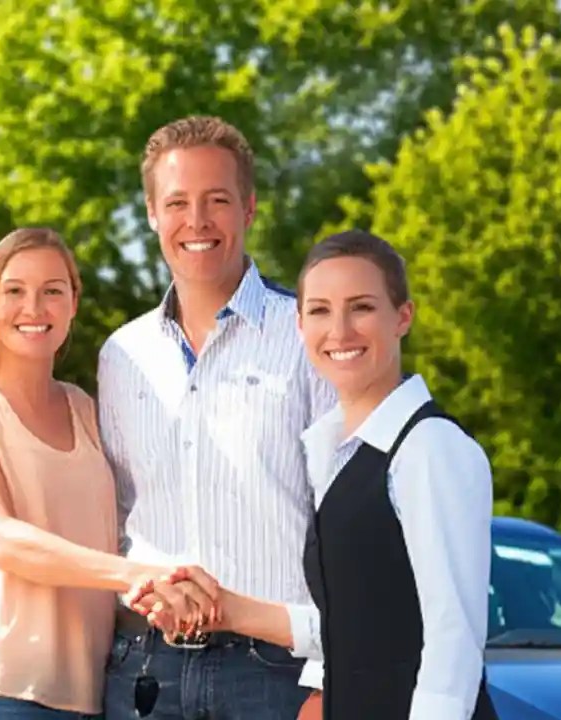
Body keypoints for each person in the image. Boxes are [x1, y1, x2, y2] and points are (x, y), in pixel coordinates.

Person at [145, 230, 500, 719]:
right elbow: (357, 624)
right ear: (299, 323)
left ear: (403, 317)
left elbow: (452, 640)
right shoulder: (330, 452)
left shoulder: (429, 448)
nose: (340, 331)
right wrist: (233, 613)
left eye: (361, 307)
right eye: (319, 311)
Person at [0, 227, 220, 719]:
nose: (34, 308)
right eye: (15, 291)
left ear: (73, 303)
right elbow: (0, 539)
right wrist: (136, 574)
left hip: (91, 693)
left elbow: (110, 537)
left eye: (52, 291)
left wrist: (171, 592)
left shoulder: (83, 407)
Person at [98, 116, 336, 719]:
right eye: (177, 202)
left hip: (278, 676)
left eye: (217, 201)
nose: (197, 221)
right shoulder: (120, 356)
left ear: (249, 208)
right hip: (147, 676)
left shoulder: (309, 336)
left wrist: (328, 678)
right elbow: (122, 515)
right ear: (152, 213)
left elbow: (346, 523)